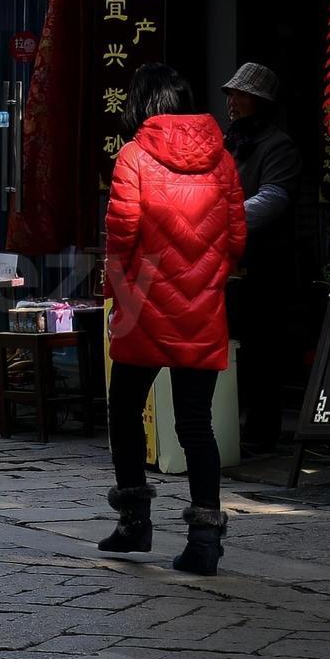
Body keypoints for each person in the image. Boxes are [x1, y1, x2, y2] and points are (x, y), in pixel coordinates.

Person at [99, 63, 244, 575]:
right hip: (202, 303)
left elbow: (122, 235)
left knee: (124, 410)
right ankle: (205, 539)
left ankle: (135, 521)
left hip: (145, 302)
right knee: (195, 423)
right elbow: (237, 235)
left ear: (139, 103)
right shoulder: (222, 160)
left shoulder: (134, 157)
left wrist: (118, 291)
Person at [221, 61, 307, 453]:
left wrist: (220, 220)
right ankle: (231, 422)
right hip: (229, 260)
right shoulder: (230, 142)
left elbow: (272, 199)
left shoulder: (278, 145)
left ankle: (262, 429)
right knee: (233, 344)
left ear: (259, 101)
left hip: (265, 262)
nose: (232, 102)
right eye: (232, 95)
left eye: (240, 95)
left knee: (262, 350)